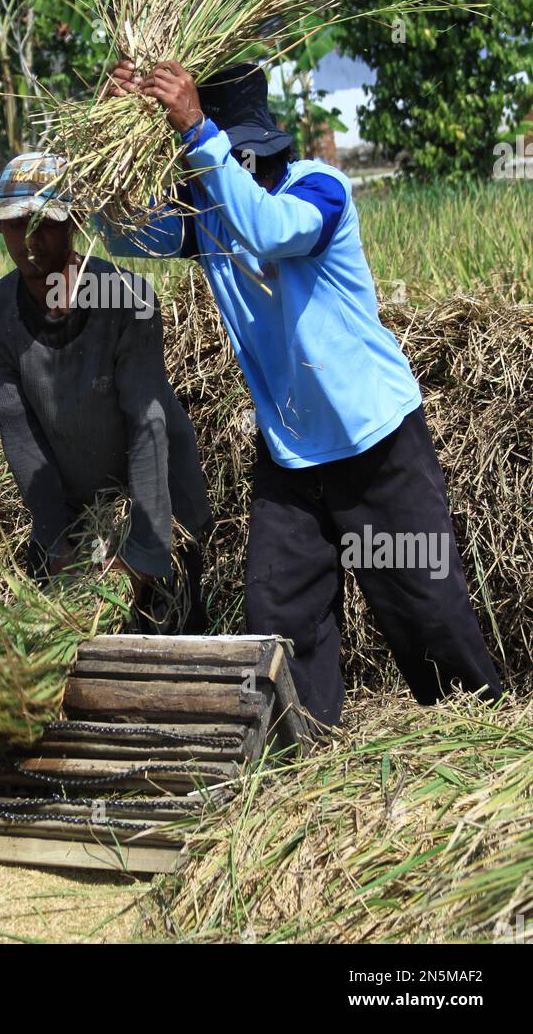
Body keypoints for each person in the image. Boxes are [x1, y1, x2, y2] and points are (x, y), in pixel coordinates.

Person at [98, 58, 502, 725]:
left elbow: (271, 231)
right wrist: (112, 128)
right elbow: (118, 230)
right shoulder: (210, 220)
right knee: (281, 615)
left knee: (425, 606)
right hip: (291, 456)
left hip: (375, 444)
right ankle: (305, 750)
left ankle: (479, 733)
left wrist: (197, 130)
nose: (239, 170)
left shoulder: (320, 190)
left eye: (243, 158)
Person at [0, 150, 213, 633]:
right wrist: (58, 543)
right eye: (14, 224)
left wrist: (141, 554)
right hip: (88, 512)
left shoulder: (128, 301)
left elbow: (148, 427)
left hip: (162, 496)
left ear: (76, 221)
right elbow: (22, 436)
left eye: (45, 223)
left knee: (181, 639)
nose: (29, 240)